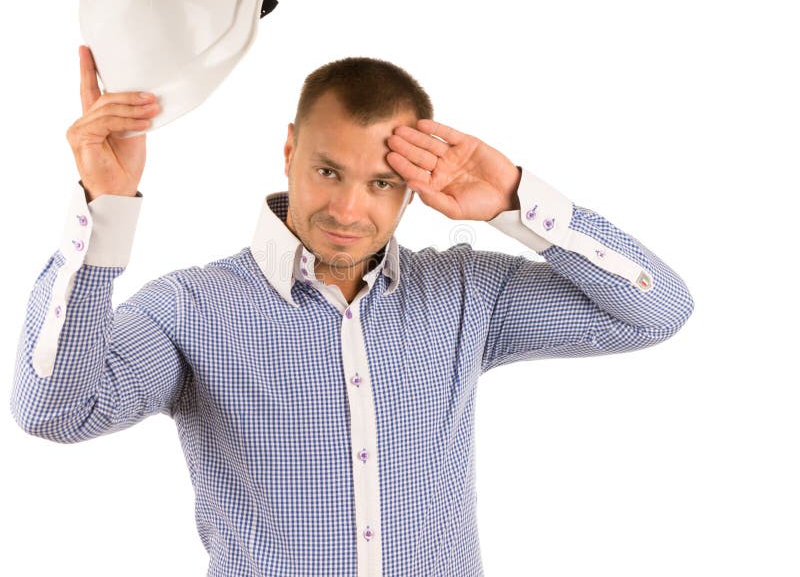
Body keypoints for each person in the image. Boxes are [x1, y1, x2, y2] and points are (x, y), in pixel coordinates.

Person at [10, 45, 695, 576]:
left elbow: (655, 310)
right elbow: (54, 410)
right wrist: (103, 211)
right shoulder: (193, 308)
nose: (347, 210)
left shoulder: (466, 295)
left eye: (381, 183)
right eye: (329, 171)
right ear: (290, 151)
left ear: (413, 192)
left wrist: (517, 200)